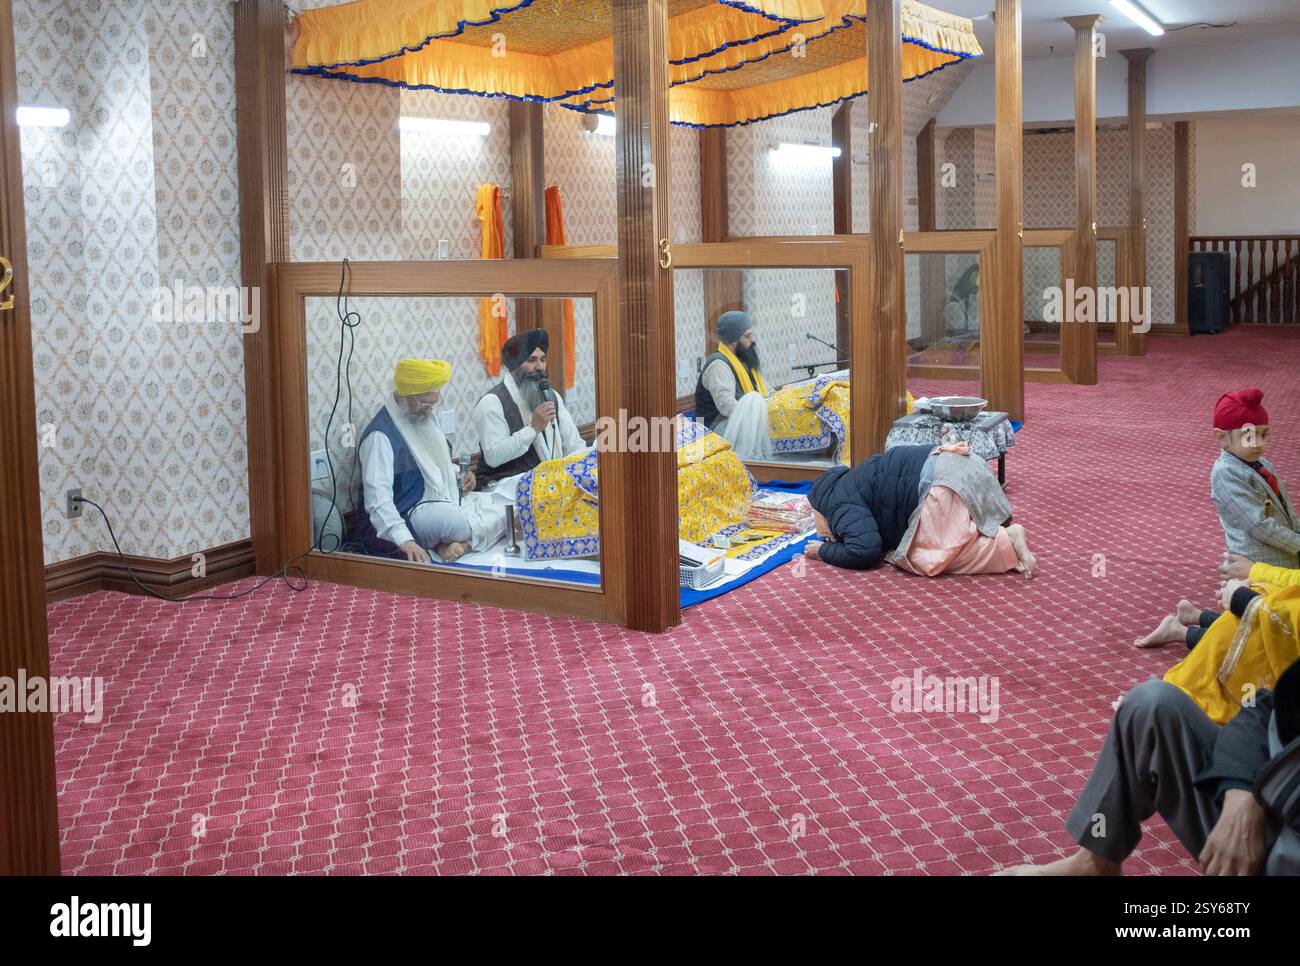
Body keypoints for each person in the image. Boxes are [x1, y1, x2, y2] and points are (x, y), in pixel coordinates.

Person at [996, 653, 1300, 876]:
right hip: (1275, 803)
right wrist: (1243, 795)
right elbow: (1263, 707)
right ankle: (1095, 863)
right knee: (1152, 705)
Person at [803, 442, 1035, 576]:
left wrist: (822, 552)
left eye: (825, 533)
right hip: (963, 462)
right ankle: (997, 530)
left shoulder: (836, 505)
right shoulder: (851, 480)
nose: (828, 537)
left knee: (930, 557)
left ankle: (1006, 542)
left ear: (818, 509)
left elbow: (865, 550)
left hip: (941, 483)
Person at [355, 359, 505, 563]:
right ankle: (455, 542)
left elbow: (430, 462)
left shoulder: (420, 417)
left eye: (432, 403)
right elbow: (378, 501)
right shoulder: (380, 437)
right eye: (424, 403)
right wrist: (405, 540)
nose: (428, 409)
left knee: (506, 503)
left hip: (443, 499)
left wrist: (460, 475)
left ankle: (457, 545)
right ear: (405, 395)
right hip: (409, 513)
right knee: (461, 522)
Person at [472, 328, 584, 488]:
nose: (539, 366)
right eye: (531, 360)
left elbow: (574, 444)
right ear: (514, 365)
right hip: (504, 490)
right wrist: (533, 428)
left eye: (543, 359)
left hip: (550, 484)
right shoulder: (492, 403)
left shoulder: (551, 396)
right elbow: (493, 456)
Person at [1210, 386, 1300, 570]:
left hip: (1287, 553)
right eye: (1248, 437)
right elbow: (1259, 526)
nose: (1259, 443)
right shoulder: (1225, 473)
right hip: (1257, 562)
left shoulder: (1264, 464)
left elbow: (1288, 510)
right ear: (1222, 437)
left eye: (1264, 434)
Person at [693, 310, 772, 459]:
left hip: (738, 419)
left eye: (752, 334)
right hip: (716, 426)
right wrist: (758, 414)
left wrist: (780, 400)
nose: (753, 340)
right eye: (747, 336)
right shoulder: (718, 364)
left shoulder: (744, 360)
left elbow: (768, 391)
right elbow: (727, 406)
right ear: (733, 341)